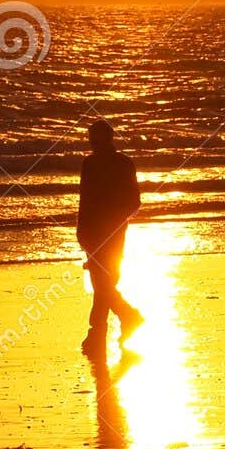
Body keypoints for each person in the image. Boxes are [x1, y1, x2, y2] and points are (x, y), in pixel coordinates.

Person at [76, 118, 142, 355]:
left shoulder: (117, 164)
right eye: (91, 138)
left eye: (95, 138)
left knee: (104, 283)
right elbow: (86, 201)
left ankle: (121, 320)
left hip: (108, 232)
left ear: (107, 138)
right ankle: (100, 333)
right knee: (102, 283)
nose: (92, 143)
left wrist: (112, 223)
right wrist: (82, 231)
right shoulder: (93, 163)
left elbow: (134, 201)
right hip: (98, 232)